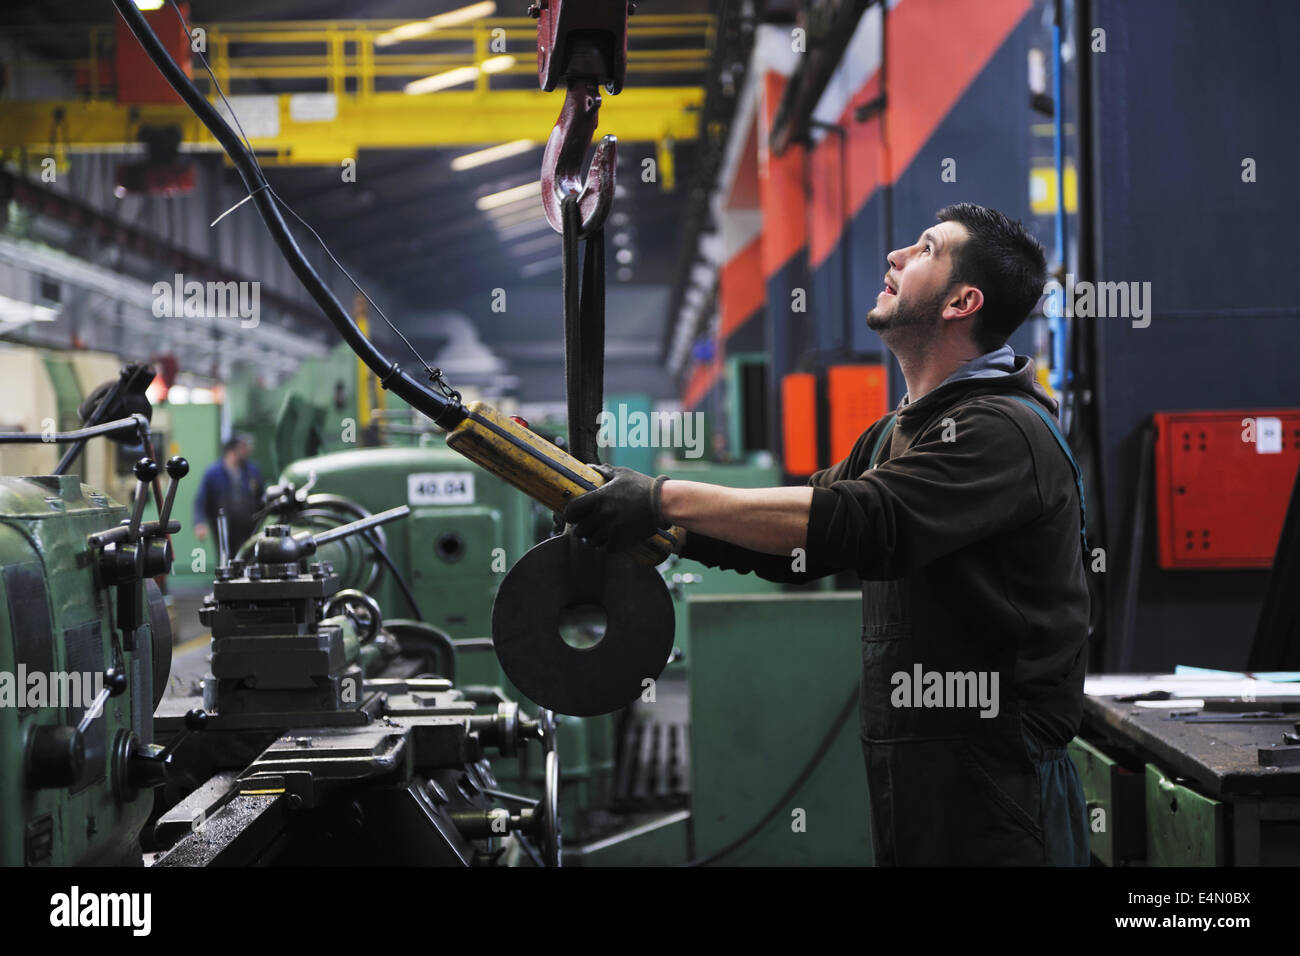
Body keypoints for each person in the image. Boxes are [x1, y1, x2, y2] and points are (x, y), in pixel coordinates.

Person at [565, 203, 1091, 866]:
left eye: (925, 248)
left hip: (999, 782)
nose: (896, 257)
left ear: (963, 301)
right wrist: (663, 523)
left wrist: (664, 497)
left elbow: (863, 519)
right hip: (922, 770)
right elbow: (805, 544)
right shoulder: (897, 431)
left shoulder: (1002, 431)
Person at [193, 435, 264, 554]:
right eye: (243, 447)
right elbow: (201, 500)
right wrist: (200, 523)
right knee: (225, 558)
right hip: (223, 526)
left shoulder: (252, 471)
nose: (248, 450)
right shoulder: (213, 473)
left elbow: (261, 498)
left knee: (247, 556)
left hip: (248, 526)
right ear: (232, 450)